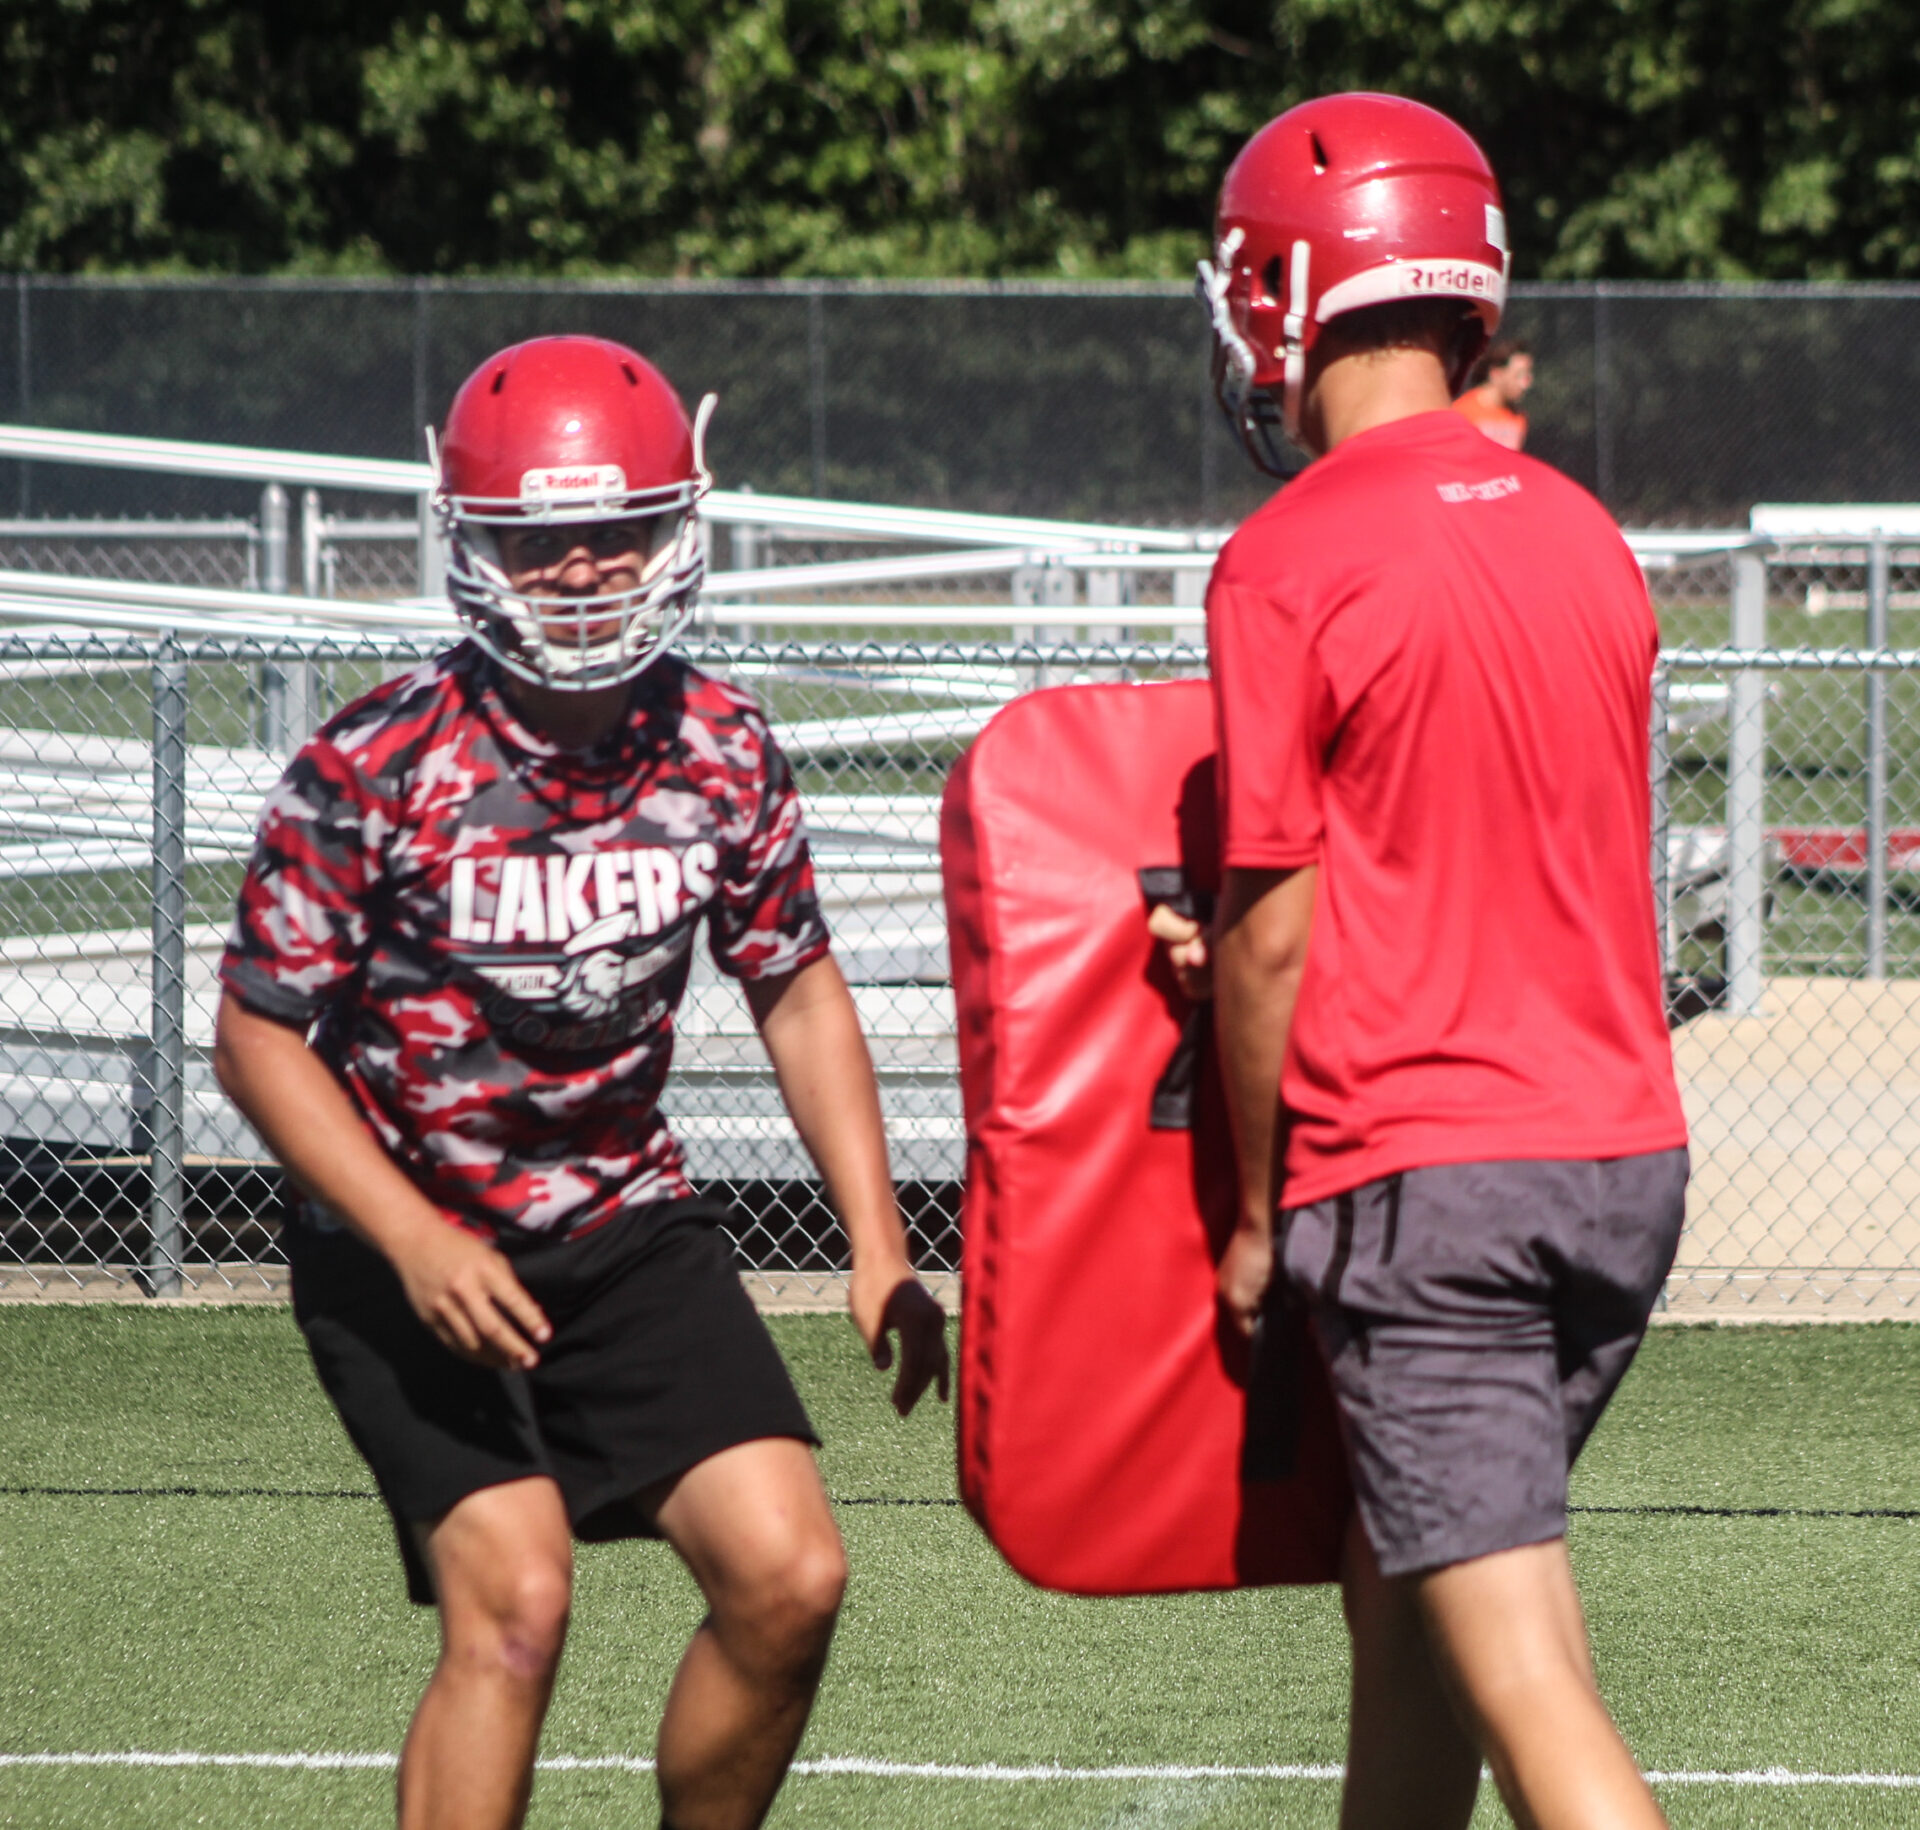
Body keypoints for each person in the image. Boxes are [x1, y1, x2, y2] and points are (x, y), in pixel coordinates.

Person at [212, 334, 950, 1830]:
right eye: (542, 539)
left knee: (791, 1572)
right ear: (474, 544)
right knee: (517, 1599)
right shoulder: (375, 763)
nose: (584, 569)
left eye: (617, 532)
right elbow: (256, 1032)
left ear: (680, 525)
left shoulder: (723, 747)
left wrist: (878, 1237)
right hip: (399, 1238)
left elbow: (796, 986)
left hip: (618, 1226)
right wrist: (412, 1239)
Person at [1172, 95, 1689, 1828]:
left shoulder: (1291, 557)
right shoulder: (1586, 536)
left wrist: (1253, 1217)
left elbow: (1277, 931)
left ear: (1287, 290)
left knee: (1530, 1679)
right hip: (1619, 1160)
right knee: (1415, 1604)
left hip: (1432, 1182)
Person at [1453, 337, 1534, 449]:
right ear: (1496, 373)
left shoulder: (1519, 418)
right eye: (1518, 375)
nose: (1525, 384)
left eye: (1527, 376)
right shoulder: (1460, 413)